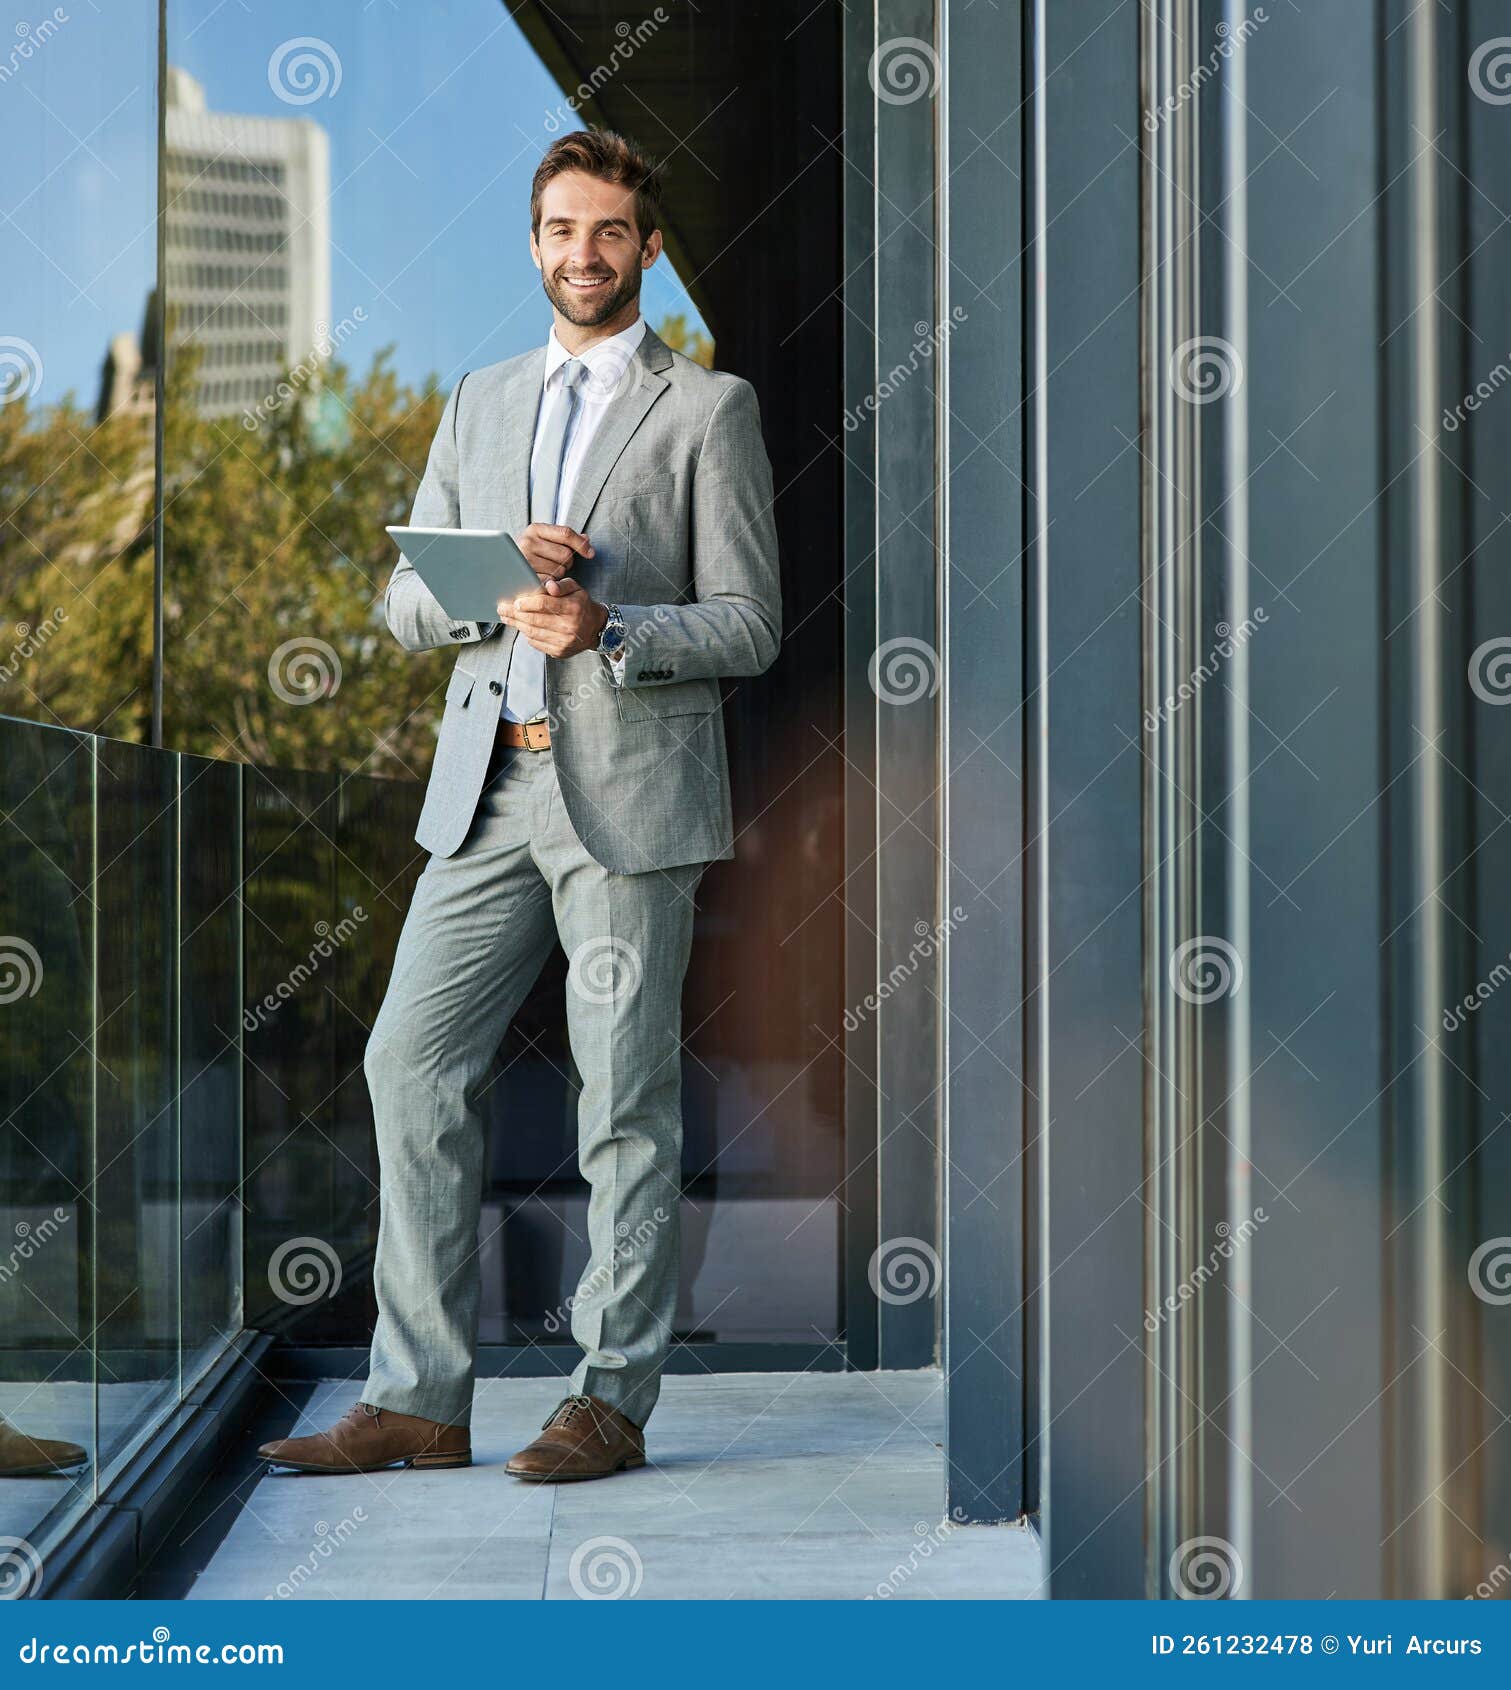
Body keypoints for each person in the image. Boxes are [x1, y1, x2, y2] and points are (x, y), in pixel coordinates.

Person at [258, 127, 781, 1483]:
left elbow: (752, 622)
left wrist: (609, 620)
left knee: (624, 1103)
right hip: (486, 783)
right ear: (534, 241)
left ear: (647, 248)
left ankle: (609, 1396)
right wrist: (488, 589)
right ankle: (421, 1397)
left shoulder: (706, 412)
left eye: (610, 232)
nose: (584, 255)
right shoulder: (479, 400)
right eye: (561, 230)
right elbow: (401, 598)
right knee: (406, 1063)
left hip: (628, 795)